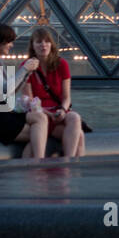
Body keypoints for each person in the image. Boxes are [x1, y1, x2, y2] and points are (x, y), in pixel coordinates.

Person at [0, 22, 48, 159]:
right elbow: (6, 90)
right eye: (8, 42)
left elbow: (11, 92)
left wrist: (27, 75)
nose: (11, 45)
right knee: (39, 133)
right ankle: (37, 164)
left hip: (1, 113)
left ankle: (34, 165)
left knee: (40, 120)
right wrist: (24, 69)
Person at [23, 25, 86, 158]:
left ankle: (67, 162)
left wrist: (63, 110)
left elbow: (67, 97)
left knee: (74, 117)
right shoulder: (26, 66)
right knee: (79, 135)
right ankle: (71, 169)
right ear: (32, 46)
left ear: (52, 44)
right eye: (39, 42)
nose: (43, 45)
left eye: (47, 41)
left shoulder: (62, 64)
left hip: (58, 113)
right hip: (39, 114)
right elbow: (28, 100)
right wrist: (48, 114)